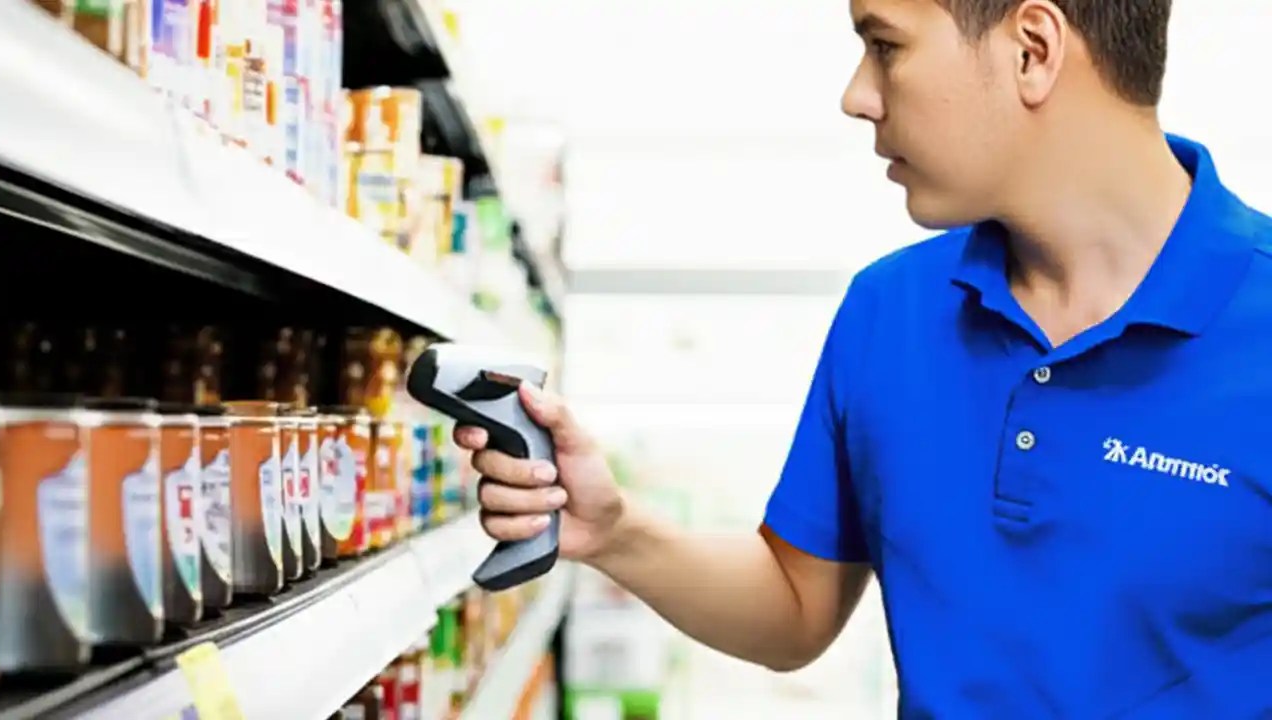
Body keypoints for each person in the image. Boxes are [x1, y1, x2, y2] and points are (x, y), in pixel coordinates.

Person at [455, 0, 1272, 716]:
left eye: (885, 44)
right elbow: (797, 609)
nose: (857, 96)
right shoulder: (891, 311)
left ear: (1033, 50)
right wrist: (616, 531)